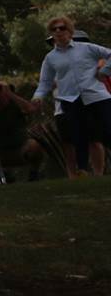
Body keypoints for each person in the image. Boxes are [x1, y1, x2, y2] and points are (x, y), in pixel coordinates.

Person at [34, 15, 111, 177]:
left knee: (107, 131)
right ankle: (82, 170)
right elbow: (45, 81)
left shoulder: (87, 48)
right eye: (54, 30)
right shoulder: (50, 58)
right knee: (78, 136)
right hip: (71, 100)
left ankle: (97, 172)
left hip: (96, 96)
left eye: (61, 28)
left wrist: (104, 71)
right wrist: (38, 97)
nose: (58, 32)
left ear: (69, 31)